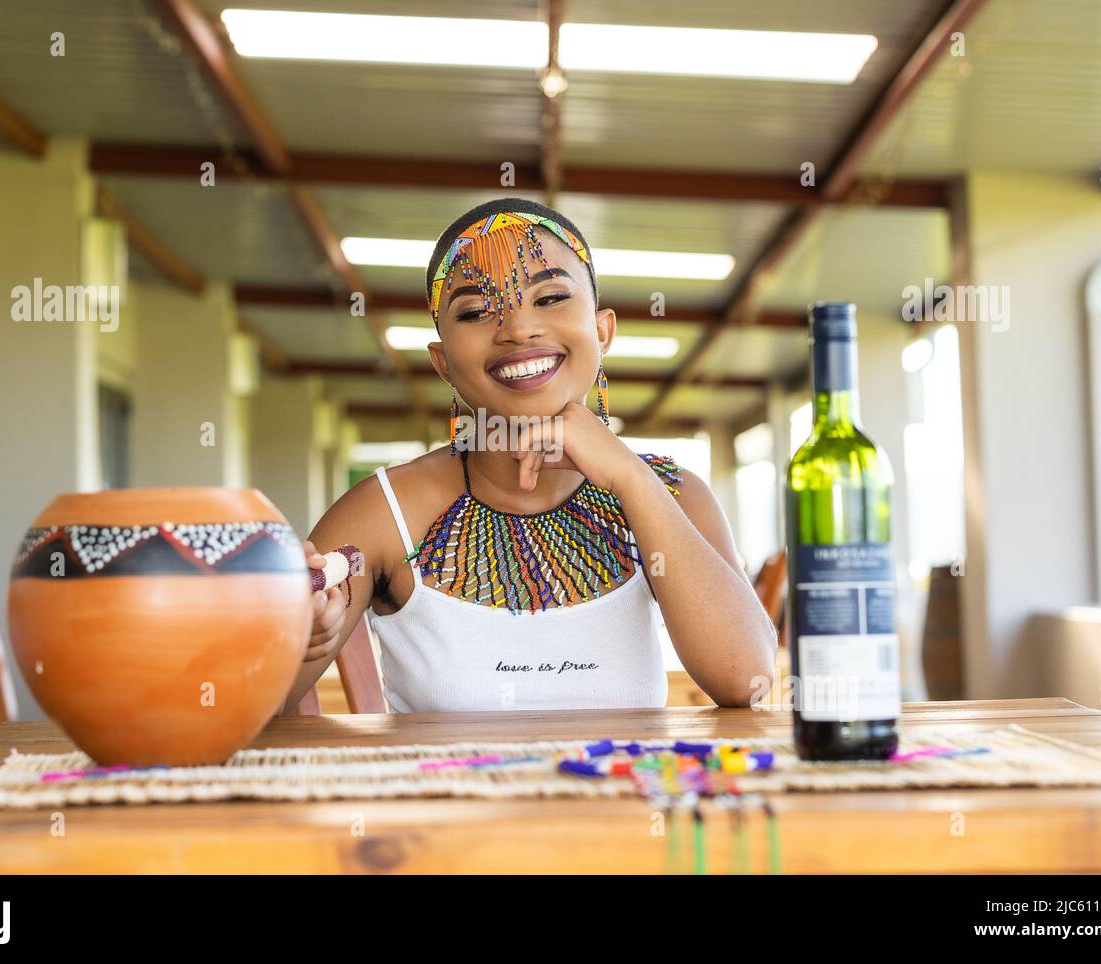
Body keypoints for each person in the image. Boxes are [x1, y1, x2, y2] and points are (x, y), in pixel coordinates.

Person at [289, 198, 776, 712]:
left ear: (603, 330)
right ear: (443, 363)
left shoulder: (675, 495)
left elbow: (748, 682)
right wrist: (295, 636)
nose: (518, 329)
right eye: (476, 311)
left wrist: (630, 477)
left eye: (549, 298)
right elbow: (249, 714)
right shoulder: (383, 512)